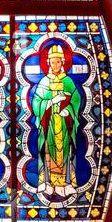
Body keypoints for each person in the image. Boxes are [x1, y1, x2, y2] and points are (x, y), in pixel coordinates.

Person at [30, 40, 82, 197]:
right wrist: (51, 102)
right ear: (48, 63)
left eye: (58, 61)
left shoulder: (68, 82)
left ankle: (65, 183)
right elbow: (36, 102)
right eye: (52, 62)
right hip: (49, 124)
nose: (55, 65)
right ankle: (47, 182)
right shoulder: (44, 81)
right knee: (47, 150)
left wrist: (69, 110)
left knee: (65, 151)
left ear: (63, 63)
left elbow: (76, 99)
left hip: (65, 125)